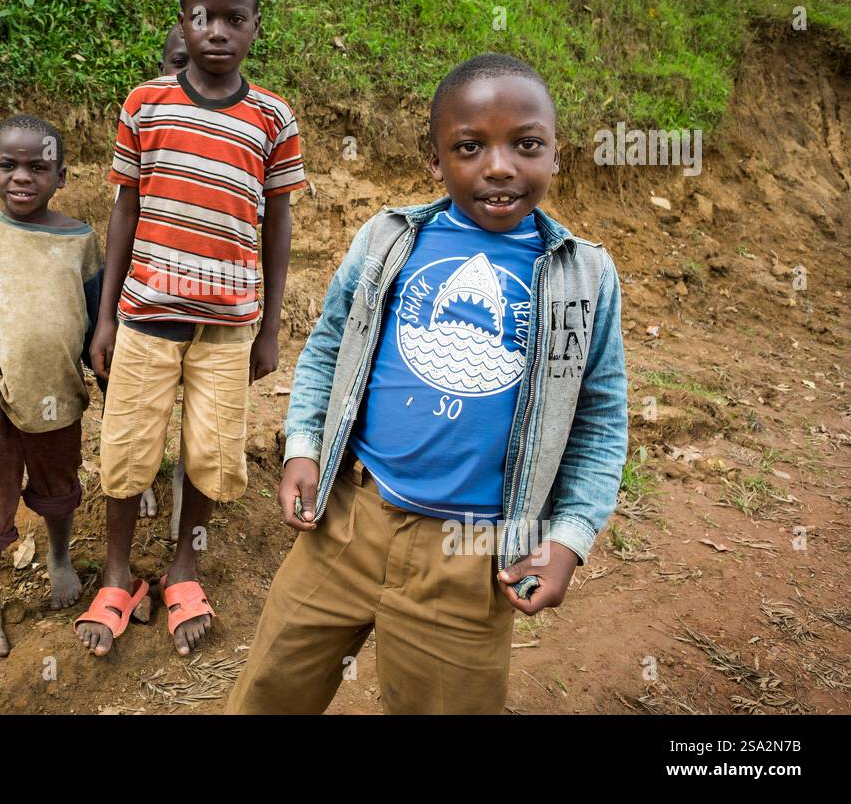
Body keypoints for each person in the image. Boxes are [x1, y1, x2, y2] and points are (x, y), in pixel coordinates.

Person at [227, 53, 628, 712]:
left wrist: (569, 538)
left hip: (470, 558)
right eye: (470, 148)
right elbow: (329, 346)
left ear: (556, 155)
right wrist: (302, 443)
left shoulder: (583, 277)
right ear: (437, 162)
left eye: (526, 145)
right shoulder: (390, 240)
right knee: (267, 691)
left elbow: (600, 421)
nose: (499, 166)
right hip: (345, 523)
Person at [76, 0, 306, 657]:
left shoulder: (272, 118)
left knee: (207, 455)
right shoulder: (145, 104)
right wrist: (108, 315)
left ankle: (184, 568)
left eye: (234, 19)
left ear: (255, 28)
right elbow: (125, 211)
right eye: (201, 16)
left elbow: (277, 223)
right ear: (183, 20)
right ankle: (119, 576)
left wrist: (270, 328)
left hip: (228, 331)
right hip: (146, 318)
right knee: (126, 454)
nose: (216, 31)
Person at [0, 115, 102, 657]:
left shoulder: (81, 241)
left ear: (62, 175)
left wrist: (104, 373)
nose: (22, 177)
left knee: (58, 486)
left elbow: (95, 321)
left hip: (60, 394)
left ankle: (58, 556)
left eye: (38, 166)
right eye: (8, 165)